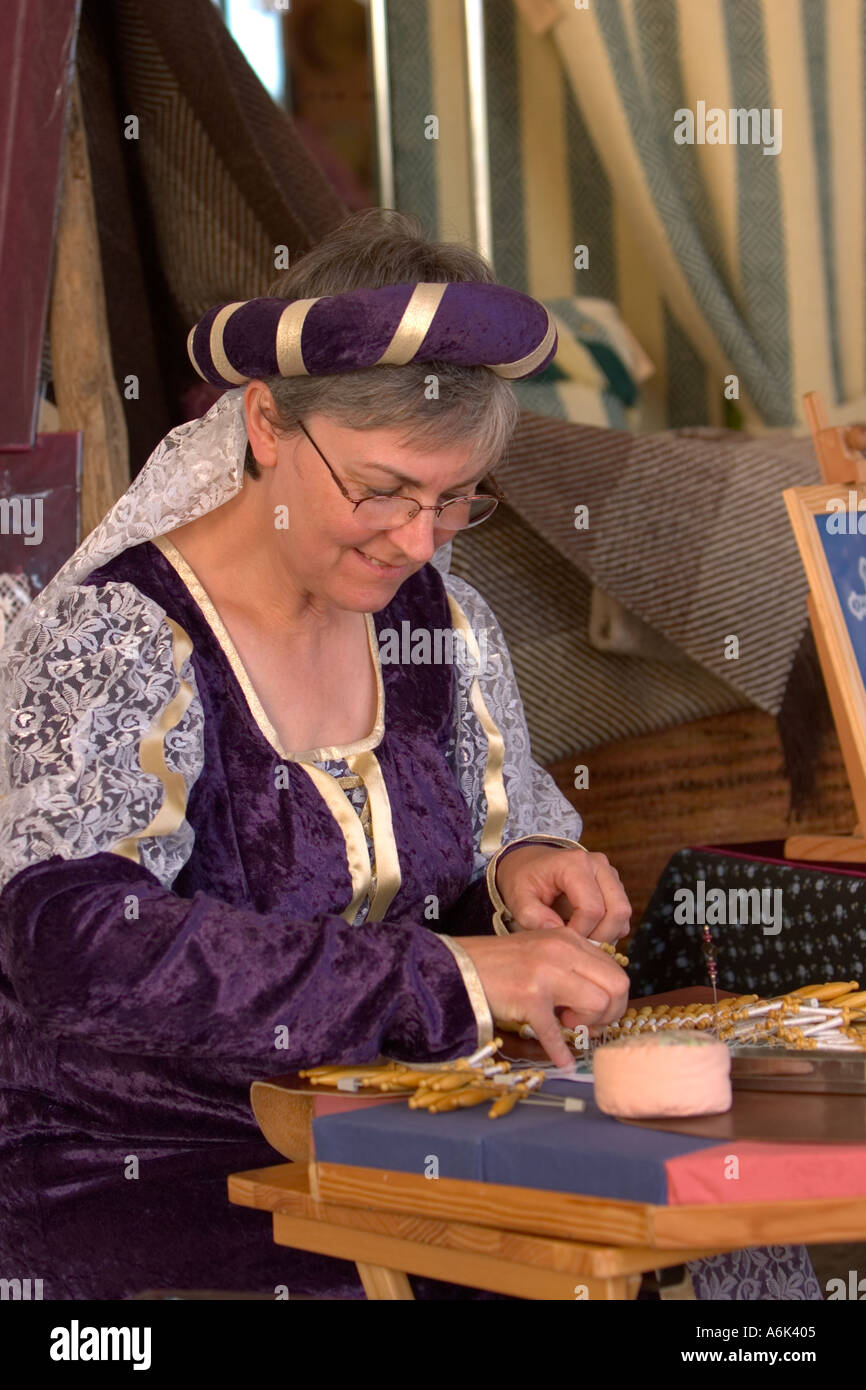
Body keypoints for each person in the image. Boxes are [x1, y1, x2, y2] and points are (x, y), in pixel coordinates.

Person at [0, 210, 819, 1300]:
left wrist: (524, 865)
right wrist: (449, 974)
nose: (414, 538)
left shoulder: (438, 620)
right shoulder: (125, 638)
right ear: (266, 425)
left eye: (451, 501)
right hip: (155, 1169)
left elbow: (481, 822)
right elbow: (74, 945)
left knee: (722, 1236)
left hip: (391, 1122)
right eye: (381, 489)